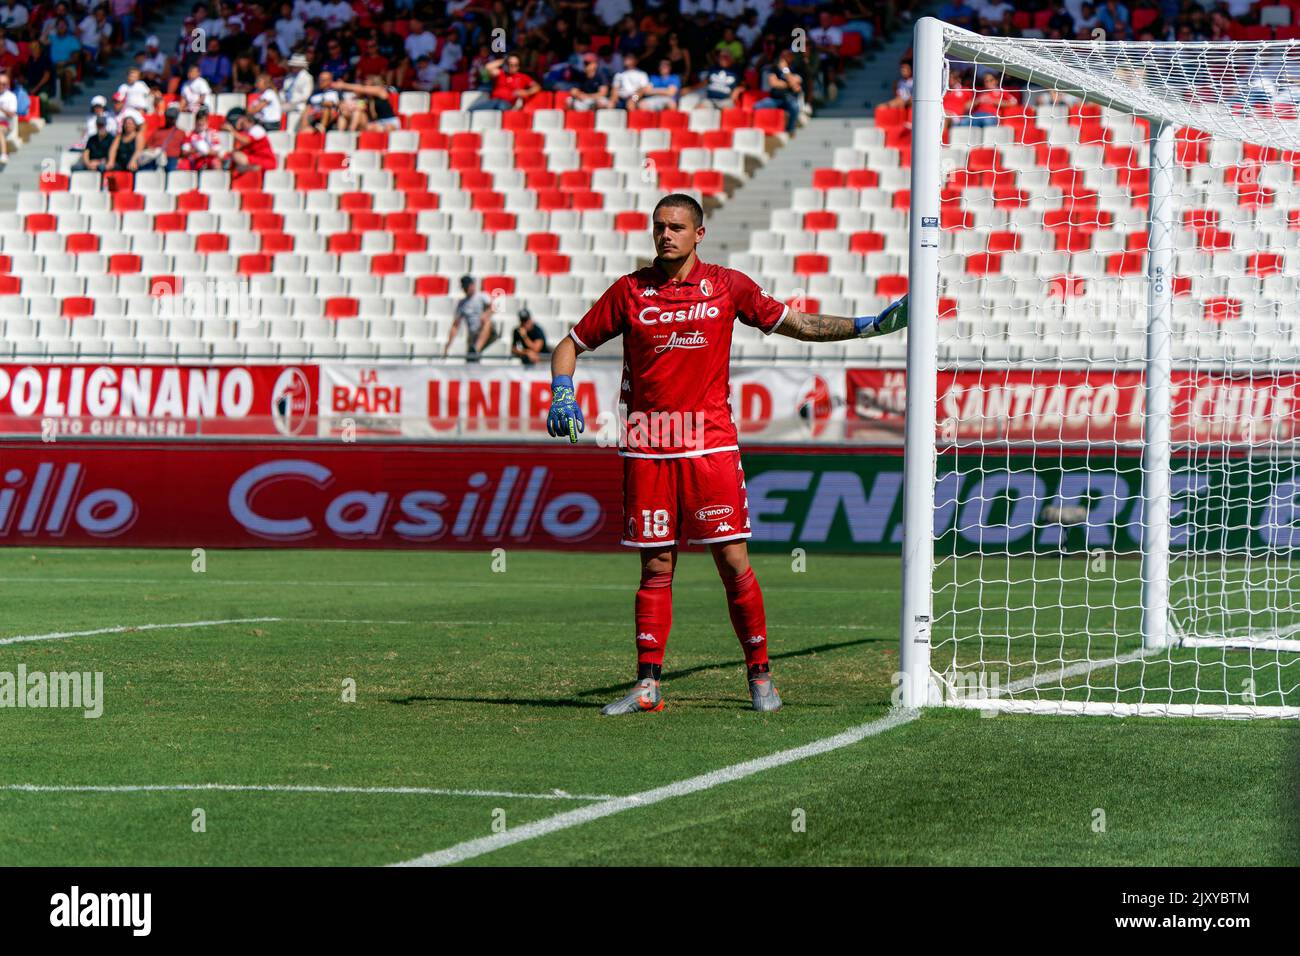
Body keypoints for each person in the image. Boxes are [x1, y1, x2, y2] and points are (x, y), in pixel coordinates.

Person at [544, 193, 909, 715]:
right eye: (658, 226)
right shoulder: (629, 292)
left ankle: (759, 676)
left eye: (676, 226)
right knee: (656, 566)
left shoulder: (728, 287)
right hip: (647, 447)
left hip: (710, 446)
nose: (665, 234)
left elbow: (799, 324)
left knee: (733, 562)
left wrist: (869, 325)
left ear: (699, 233)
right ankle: (647, 684)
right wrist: (562, 388)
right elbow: (569, 344)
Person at [443, 274, 498, 362]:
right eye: (464, 287)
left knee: (487, 322)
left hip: (486, 330)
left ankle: (476, 349)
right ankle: (474, 351)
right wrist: (448, 344)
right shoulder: (462, 303)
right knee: (471, 361)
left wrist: (485, 314)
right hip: (473, 335)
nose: (466, 289)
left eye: (467, 286)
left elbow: (493, 307)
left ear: (472, 285)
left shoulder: (482, 296)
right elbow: (455, 326)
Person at [755, 48, 803, 133]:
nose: (784, 58)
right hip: (776, 99)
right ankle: (758, 129)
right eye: (783, 56)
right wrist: (790, 84)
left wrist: (785, 69)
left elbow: (796, 82)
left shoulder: (796, 68)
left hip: (790, 98)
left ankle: (790, 130)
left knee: (795, 107)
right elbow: (773, 83)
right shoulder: (774, 68)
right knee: (757, 106)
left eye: (788, 55)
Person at [468, 54, 539, 111]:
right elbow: (488, 67)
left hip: (507, 104)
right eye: (510, 64)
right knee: (471, 110)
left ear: (518, 66)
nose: (512, 67)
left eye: (515, 65)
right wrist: (504, 60)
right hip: (494, 101)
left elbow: (537, 87)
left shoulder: (523, 77)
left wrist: (527, 92)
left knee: (500, 106)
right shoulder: (501, 73)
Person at [221, 106, 276, 174]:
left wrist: (232, 131)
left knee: (236, 155)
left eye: (242, 122)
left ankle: (252, 168)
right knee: (231, 158)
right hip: (253, 160)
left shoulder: (257, 129)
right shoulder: (246, 132)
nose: (240, 124)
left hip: (265, 161)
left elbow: (246, 140)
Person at [137, 105, 185, 171]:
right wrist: (153, 150)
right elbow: (148, 145)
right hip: (155, 157)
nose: (170, 120)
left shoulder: (181, 132)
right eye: (168, 117)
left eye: (172, 118)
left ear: (176, 118)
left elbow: (184, 150)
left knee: (171, 168)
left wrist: (180, 157)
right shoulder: (157, 131)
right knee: (145, 169)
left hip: (171, 158)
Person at [0, 72, 15, 166]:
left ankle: (4, 154)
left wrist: (1, 108)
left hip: (5, 123)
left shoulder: (11, 96)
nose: (1, 85)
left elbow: (12, 114)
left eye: (3, 84)